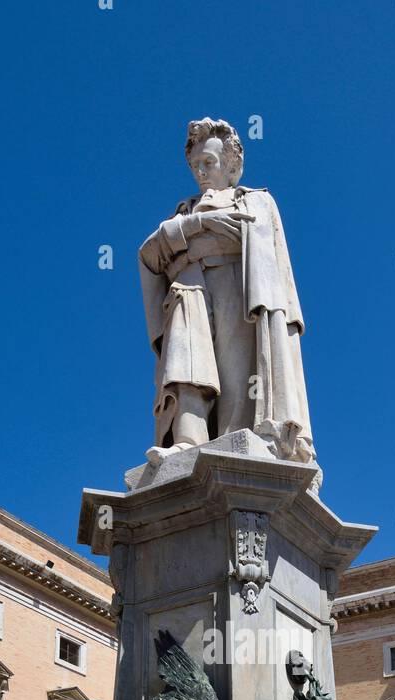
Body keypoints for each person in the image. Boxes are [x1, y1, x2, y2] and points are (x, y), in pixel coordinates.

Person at [138, 118, 316, 469]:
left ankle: (241, 439)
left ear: (232, 165)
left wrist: (187, 239)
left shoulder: (255, 201)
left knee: (240, 376)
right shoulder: (184, 212)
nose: (201, 172)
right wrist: (199, 225)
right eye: (195, 165)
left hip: (240, 288)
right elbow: (149, 254)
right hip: (188, 289)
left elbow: (263, 250)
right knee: (186, 366)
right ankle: (188, 441)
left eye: (210, 163)